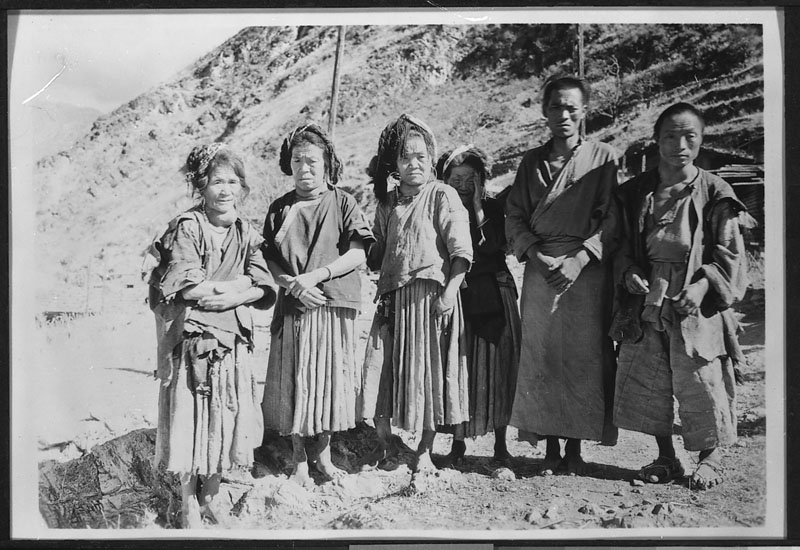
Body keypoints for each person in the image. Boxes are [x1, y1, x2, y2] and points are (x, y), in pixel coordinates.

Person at [610, 103, 753, 490]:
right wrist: (629, 272)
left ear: (702, 140)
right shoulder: (635, 192)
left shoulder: (716, 191)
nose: (680, 145)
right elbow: (620, 245)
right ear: (656, 140)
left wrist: (704, 284)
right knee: (651, 377)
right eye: (670, 136)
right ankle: (667, 457)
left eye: (690, 136)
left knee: (700, 377)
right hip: (649, 297)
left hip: (697, 297)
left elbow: (730, 253)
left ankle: (710, 458)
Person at [146, 142, 277, 528]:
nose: (225, 190)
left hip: (231, 339)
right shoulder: (188, 227)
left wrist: (236, 294)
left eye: (233, 182)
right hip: (190, 338)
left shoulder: (246, 232)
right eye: (217, 181)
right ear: (201, 185)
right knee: (190, 414)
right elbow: (186, 286)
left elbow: (263, 283)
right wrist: (234, 289)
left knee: (225, 412)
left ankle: (211, 495)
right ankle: (188, 500)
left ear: (242, 187)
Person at [505, 76, 619, 476]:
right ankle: (550, 448)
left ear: (584, 111)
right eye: (556, 106)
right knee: (543, 356)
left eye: (572, 108)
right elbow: (514, 216)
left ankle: (575, 448)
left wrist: (580, 259)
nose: (564, 115)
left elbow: (612, 218)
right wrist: (537, 257)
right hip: (541, 272)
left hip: (585, 274)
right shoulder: (530, 163)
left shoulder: (603, 158)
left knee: (583, 357)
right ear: (544, 111)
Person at [261, 124, 374, 487]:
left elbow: (357, 253)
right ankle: (298, 460)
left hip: (332, 303)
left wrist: (315, 276)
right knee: (295, 382)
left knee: (328, 382)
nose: (304, 168)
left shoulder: (343, 203)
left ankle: (323, 456)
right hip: (295, 307)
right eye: (297, 161)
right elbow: (268, 260)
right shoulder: (280, 208)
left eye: (312, 161)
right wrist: (292, 285)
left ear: (327, 164)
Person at [361, 114, 473, 474]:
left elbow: (461, 251)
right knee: (380, 371)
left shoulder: (443, 195)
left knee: (427, 375)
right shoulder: (387, 203)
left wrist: (449, 294)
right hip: (393, 301)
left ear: (431, 158)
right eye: (405, 157)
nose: (414, 164)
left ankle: (424, 451)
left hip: (430, 300)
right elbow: (378, 252)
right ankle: (388, 445)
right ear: (394, 165)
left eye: (421, 156)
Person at [435, 145, 521, 468]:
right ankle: (457, 444)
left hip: (494, 293)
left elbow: (496, 245)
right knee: (459, 368)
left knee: (497, 368)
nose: (462, 186)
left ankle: (501, 445)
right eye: (456, 180)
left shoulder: (494, 207)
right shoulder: (440, 208)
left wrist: (477, 207)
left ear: (481, 179)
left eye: (470, 179)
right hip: (458, 293)